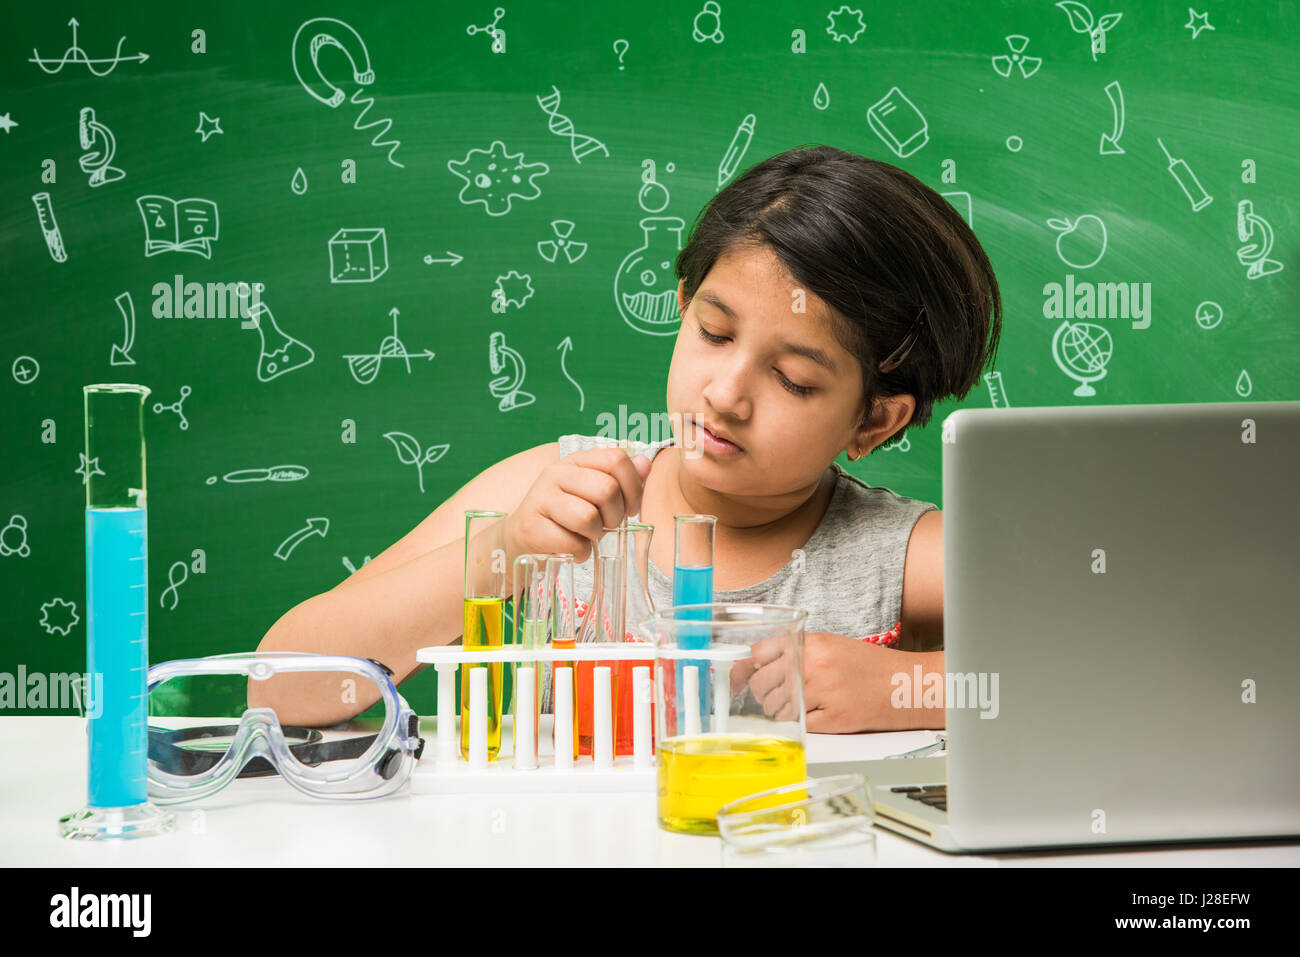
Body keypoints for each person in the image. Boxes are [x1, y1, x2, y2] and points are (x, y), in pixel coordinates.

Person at [253, 144, 1002, 732]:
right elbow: (279, 684)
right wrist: (504, 549)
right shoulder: (557, 487)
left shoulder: (899, 553)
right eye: (713, 332)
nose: (725, 393)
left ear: (875, 419)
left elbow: (1113, 658)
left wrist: (912, 688)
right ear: (682, 306)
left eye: (795, 379)